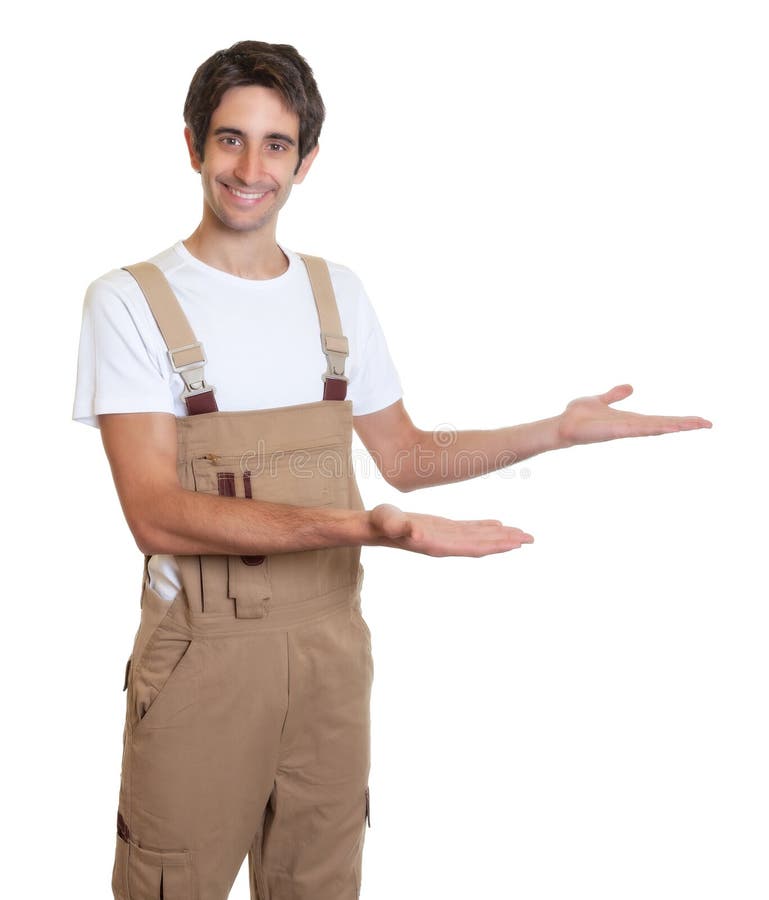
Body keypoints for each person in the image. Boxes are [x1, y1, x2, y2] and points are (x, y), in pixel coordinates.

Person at [72, 40, 712, 900]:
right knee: (169, 883)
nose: (250, 168)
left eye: (276, 144)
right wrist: (358, 527)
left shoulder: (338, 294)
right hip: (203, 660)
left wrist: (552, 431)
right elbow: (153, 512)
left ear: (307, 161)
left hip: (334, 647)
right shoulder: (129, 302)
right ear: (192, 146)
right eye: (229, 140)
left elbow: (405, 456)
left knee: (322, 881)